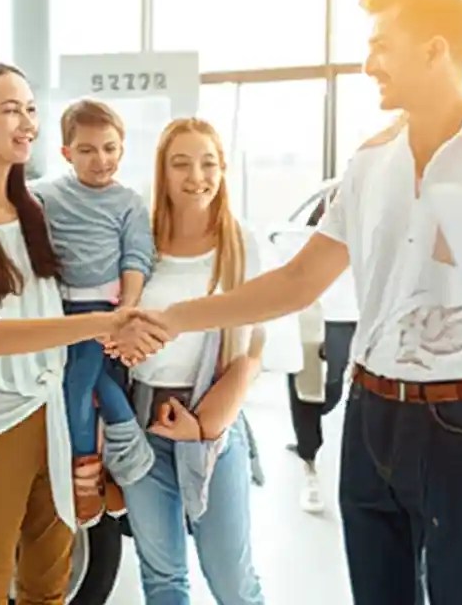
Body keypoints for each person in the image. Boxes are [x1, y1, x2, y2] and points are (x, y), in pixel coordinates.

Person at [111, 0, 462, 605]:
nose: (368, 62)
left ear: (435, 50)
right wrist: (171, 317)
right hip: (370, 418)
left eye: (383, 44)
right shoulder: (370, 161)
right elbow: (298, 281)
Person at [0, 61, 166, 604]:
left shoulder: (37, 211)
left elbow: (114, 236)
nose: (27, 122)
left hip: (55, 413)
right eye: (11, 110)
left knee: (50, 584)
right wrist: (101, 322)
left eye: (31, 109)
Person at [112, 117, 294, 605]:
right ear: (163, 173)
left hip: (212, 423)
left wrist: (207, 423)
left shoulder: (242, 244)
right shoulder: (139, 240)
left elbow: (257, 347)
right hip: (142, 425)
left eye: (208, 163)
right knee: (163, 579)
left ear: (224, 170)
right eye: (182, 163)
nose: (197, 176)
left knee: (233, 582)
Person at [32, 98, 158, 527]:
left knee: (81, 382)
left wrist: (125, 313)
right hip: (59, 310)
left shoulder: (129, 202)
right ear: (67, 153)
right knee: (94, 383)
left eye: (109, 148)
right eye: (86, 150)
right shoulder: (44, 194)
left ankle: (86, 473)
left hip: (107, 307)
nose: (100, 159)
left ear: (122, 149)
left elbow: (137, 257)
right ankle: (126, 466)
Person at [286, 191, 358, 514]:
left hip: (348, 315)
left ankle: (311, 448)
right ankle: (309, 461)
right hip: (314, 314)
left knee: (331, 392)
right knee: (306, 385)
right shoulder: (331, 201)